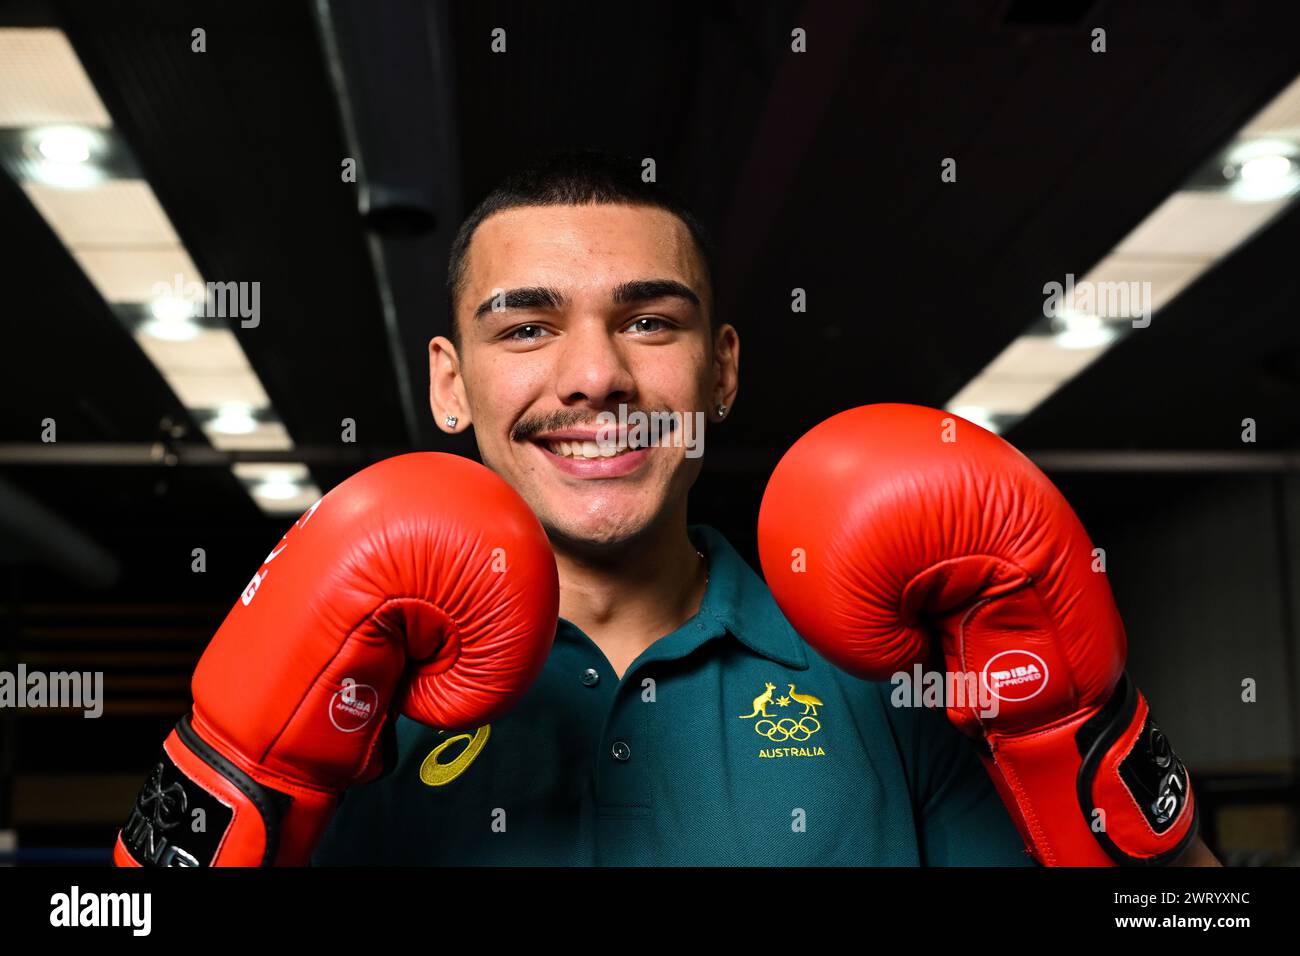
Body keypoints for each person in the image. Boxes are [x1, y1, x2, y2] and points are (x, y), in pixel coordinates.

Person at [310, 150, 1217, 866]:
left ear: (724, 370)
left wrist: (1091, 740)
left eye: (650, 323)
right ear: (449, 382)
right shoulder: (357, 694)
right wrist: (223, 780)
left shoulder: (897, 679)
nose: (594, 378)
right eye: (526, 329)